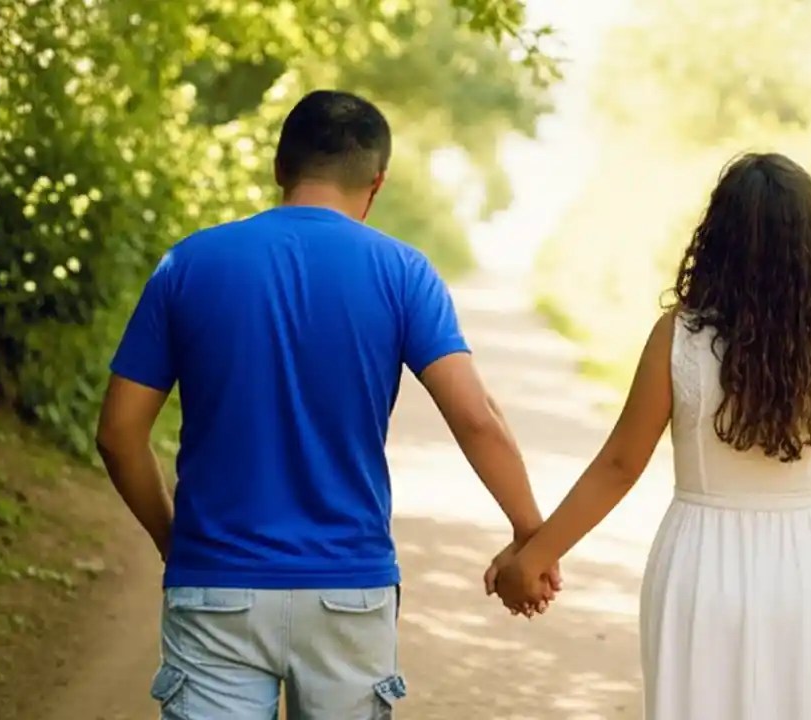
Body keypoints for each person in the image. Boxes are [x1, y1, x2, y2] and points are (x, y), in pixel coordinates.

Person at [95, 89, 556, 720]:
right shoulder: (404, 272)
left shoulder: (189, 264)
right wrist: (532, 535)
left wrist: (175, 542)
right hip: (349, 591)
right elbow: (476, 415)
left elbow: (119, 434)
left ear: (280, 168)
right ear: (377, 182)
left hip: (217, 586)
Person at [487, 153, 811, 718]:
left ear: (717, 239)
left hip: (700, 568)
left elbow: (619, 465)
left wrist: (534, 556)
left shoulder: (679, 337)